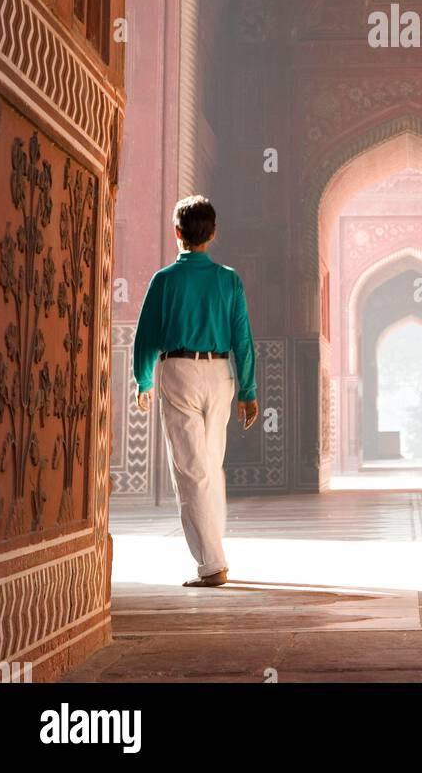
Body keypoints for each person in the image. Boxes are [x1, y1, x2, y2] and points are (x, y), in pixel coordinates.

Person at [133, 195, 258, 587]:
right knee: (208, 465)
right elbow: (243, 338)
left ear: (177, 233)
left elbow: (146, 335)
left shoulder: (165, 280)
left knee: (192, 472)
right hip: (221, 375)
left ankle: (212, 564)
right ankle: (213, 553)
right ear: (213, 233)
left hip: (179, 371)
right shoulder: (229, 279)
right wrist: (248, 391)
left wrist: (144, 378)